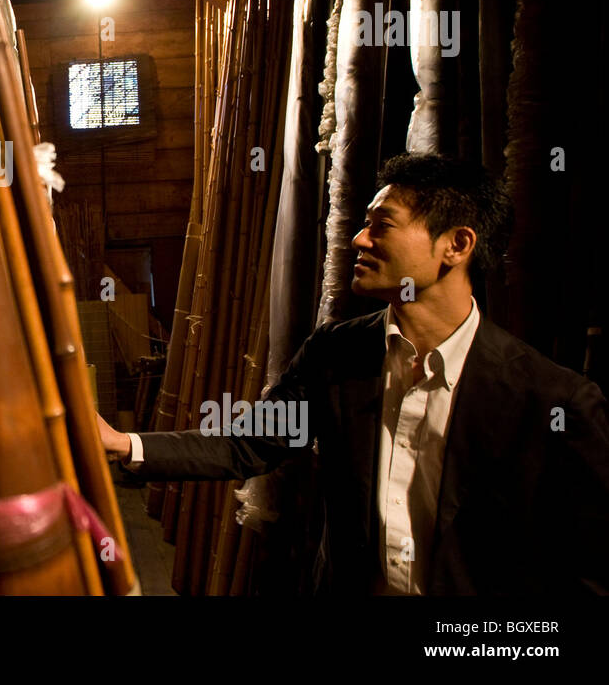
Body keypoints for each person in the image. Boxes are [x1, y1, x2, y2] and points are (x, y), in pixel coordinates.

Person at [97, 152, 609, 594]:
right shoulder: (336, 353)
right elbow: (246, 446)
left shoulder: (550, 399)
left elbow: (585, 570)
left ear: (456, 245)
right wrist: (123, 444)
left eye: (382, 225)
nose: (358, 239)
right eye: (363, 223)